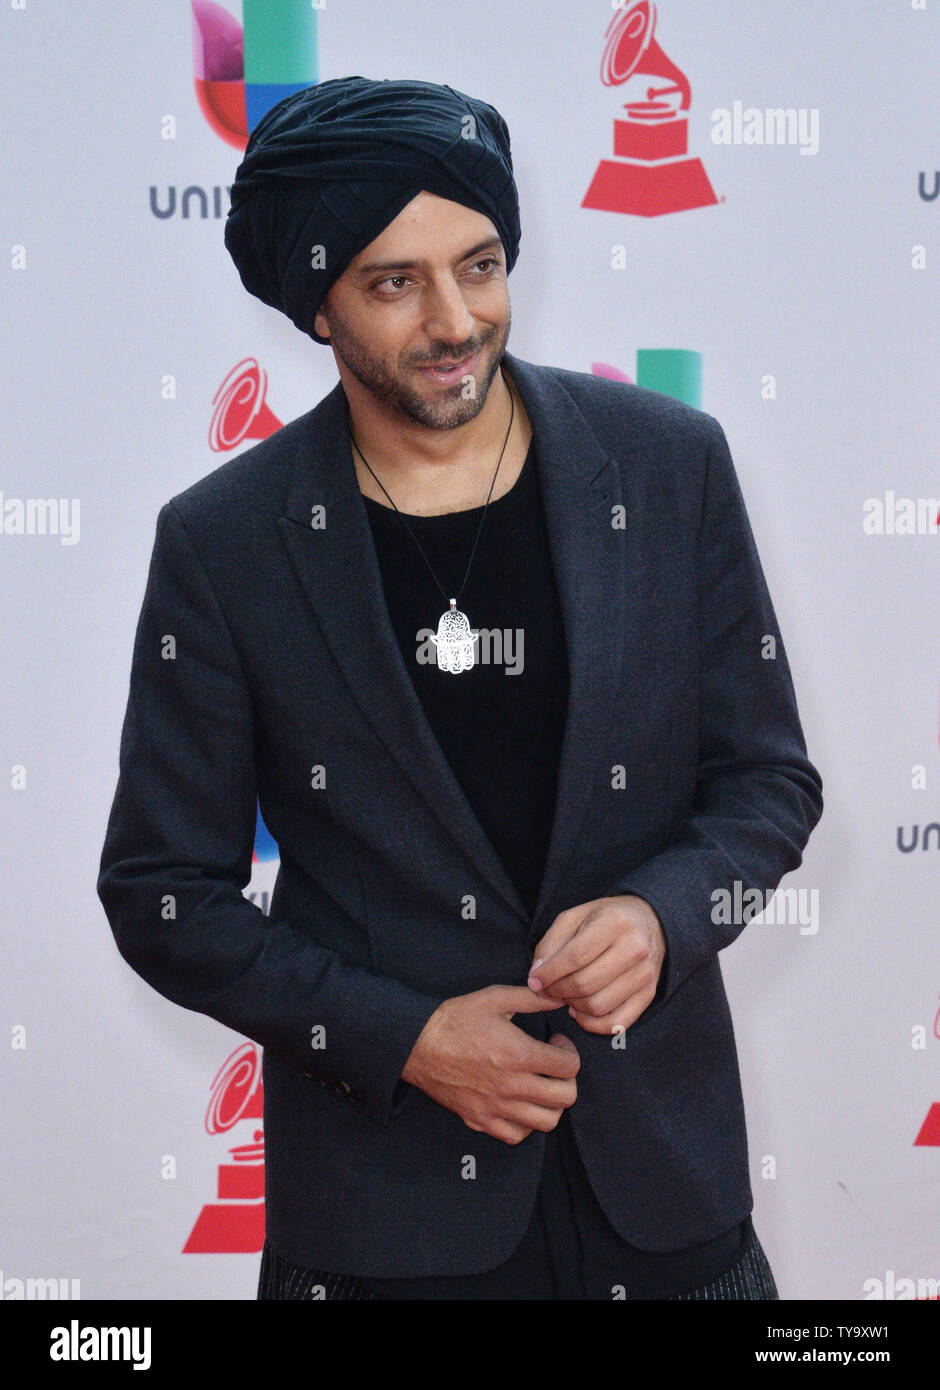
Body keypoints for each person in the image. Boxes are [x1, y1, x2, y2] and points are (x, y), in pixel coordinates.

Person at [97, 77, 824, 1301]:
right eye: (395, 282)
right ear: (316, 306)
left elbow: (767, 784)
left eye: (479, 266)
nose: (454, 319)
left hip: (667, 1200)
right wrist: (410, 1041)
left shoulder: (665, 467)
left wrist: (661, 915)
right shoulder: (225, 542)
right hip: (385, 1233)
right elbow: (163, 894)